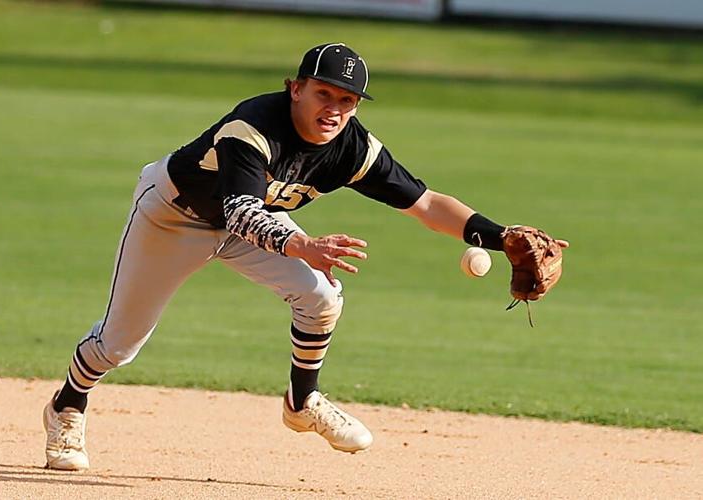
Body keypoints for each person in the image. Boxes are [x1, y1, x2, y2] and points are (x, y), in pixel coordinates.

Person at [42, 42, 567, 470]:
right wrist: (304, 245)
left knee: (321, 295)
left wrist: (500, 238)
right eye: (324, 94)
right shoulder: (252, 127)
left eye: (348, 101)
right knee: (119, 343)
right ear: (296, 88)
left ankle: (302, 403)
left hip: (257, 223)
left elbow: (426, 203)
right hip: (176, 216)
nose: (334, 110)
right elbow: (243, 212)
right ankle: (67, 404)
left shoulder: (352, 147)